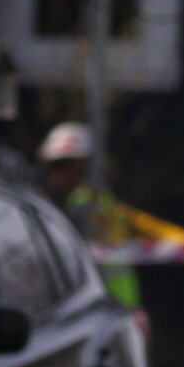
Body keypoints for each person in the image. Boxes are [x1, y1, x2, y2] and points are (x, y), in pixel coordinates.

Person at [37, 121, 141, 307]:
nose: (52, 175)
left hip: (101, 306)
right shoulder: (102, 202)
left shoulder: (82, 207)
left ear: (77, 168)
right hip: (119, 304)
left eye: (58, 165)